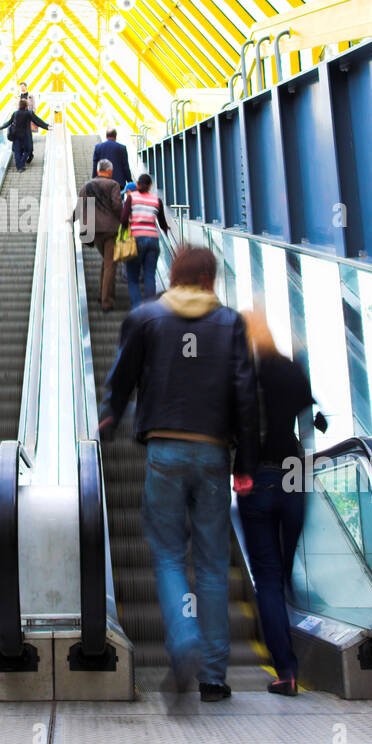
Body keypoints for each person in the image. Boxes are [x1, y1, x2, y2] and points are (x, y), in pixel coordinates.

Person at [99, 245, 259, 698]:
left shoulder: (147, 318)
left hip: (164, 450)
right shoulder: (230, 323)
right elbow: (245, 396)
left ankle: (184, 637)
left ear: (172, 275)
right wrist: (245, 465)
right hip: (213, 453)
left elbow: (122, 375)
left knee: (169, 556)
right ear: (209, 279)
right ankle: (213, 676)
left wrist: (110, 416)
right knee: (210, 565)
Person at [238, 310, 327, 697]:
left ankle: (287, 670)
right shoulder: (291, 370)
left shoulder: (243, 375)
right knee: (284, 571)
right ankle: (299, 646)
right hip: (294, 473)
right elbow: (314, 421)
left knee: (268, 580)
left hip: (258, 477)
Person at [73, 158, 122, 311]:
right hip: (109, 230)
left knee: (106, 262)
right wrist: (125, 220)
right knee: (110, 264)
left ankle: (102, 294)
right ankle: (106, 301)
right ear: (109, 171)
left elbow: (80, 206)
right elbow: (117, 206)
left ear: (97, 170)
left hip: (93, 231)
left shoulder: (87, 185)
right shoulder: (113, 185)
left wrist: (71, 218)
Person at [121, 172, 170, 309]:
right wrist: (166, 229)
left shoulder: (131, 198)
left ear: (137, 185)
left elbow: (124, 219)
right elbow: (162, 223)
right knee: (150, 275)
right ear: (150, 186)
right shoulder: (156, 200)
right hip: (153, 240)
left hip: (136, 239)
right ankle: (150, 309)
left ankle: (137, 309)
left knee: (133, 278)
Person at [0, 96, 48, 172]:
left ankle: (19, 167)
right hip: (25, 136)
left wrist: (2, 127)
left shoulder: (15, 113)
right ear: (26, 105)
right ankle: (21, 164)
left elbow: (9, 122)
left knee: (17, 151)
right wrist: (47, 126)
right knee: (27, 150)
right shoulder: (29, 113)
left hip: (16, 135)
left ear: (19, 105)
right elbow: (37, 121)